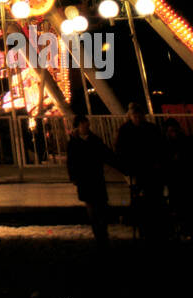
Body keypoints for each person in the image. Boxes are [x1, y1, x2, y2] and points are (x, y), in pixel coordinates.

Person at [114, 101, 165, 239]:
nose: (136, 118)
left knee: (151, 199)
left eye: (138, 115)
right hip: (137, 170)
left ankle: (153, 228)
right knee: (142, 200)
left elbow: (159, 147)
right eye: (134, 116)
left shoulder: (135, 129)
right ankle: (145, 228)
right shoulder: (128, 130)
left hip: (149, 169)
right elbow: (120, 150)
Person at [66, 114, 117, 247]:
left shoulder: (93, 140)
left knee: (101, 208)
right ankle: (100, 237)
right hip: (86, 180)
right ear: (78, 126)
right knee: (93, 210)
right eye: (83, 124)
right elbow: (71, 162)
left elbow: (107, 155)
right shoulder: (75, 143)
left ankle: (102, 235)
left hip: (95, 178)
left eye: (86, 123)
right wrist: (74, 177)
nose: (86, 126)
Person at [163, 118, 193, 239]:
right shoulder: (184, 141)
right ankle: (184, 228)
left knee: (181, 203)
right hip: (178, 177)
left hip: (179, 177)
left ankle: (183, 228)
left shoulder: (168, 143)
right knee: (181, 203)